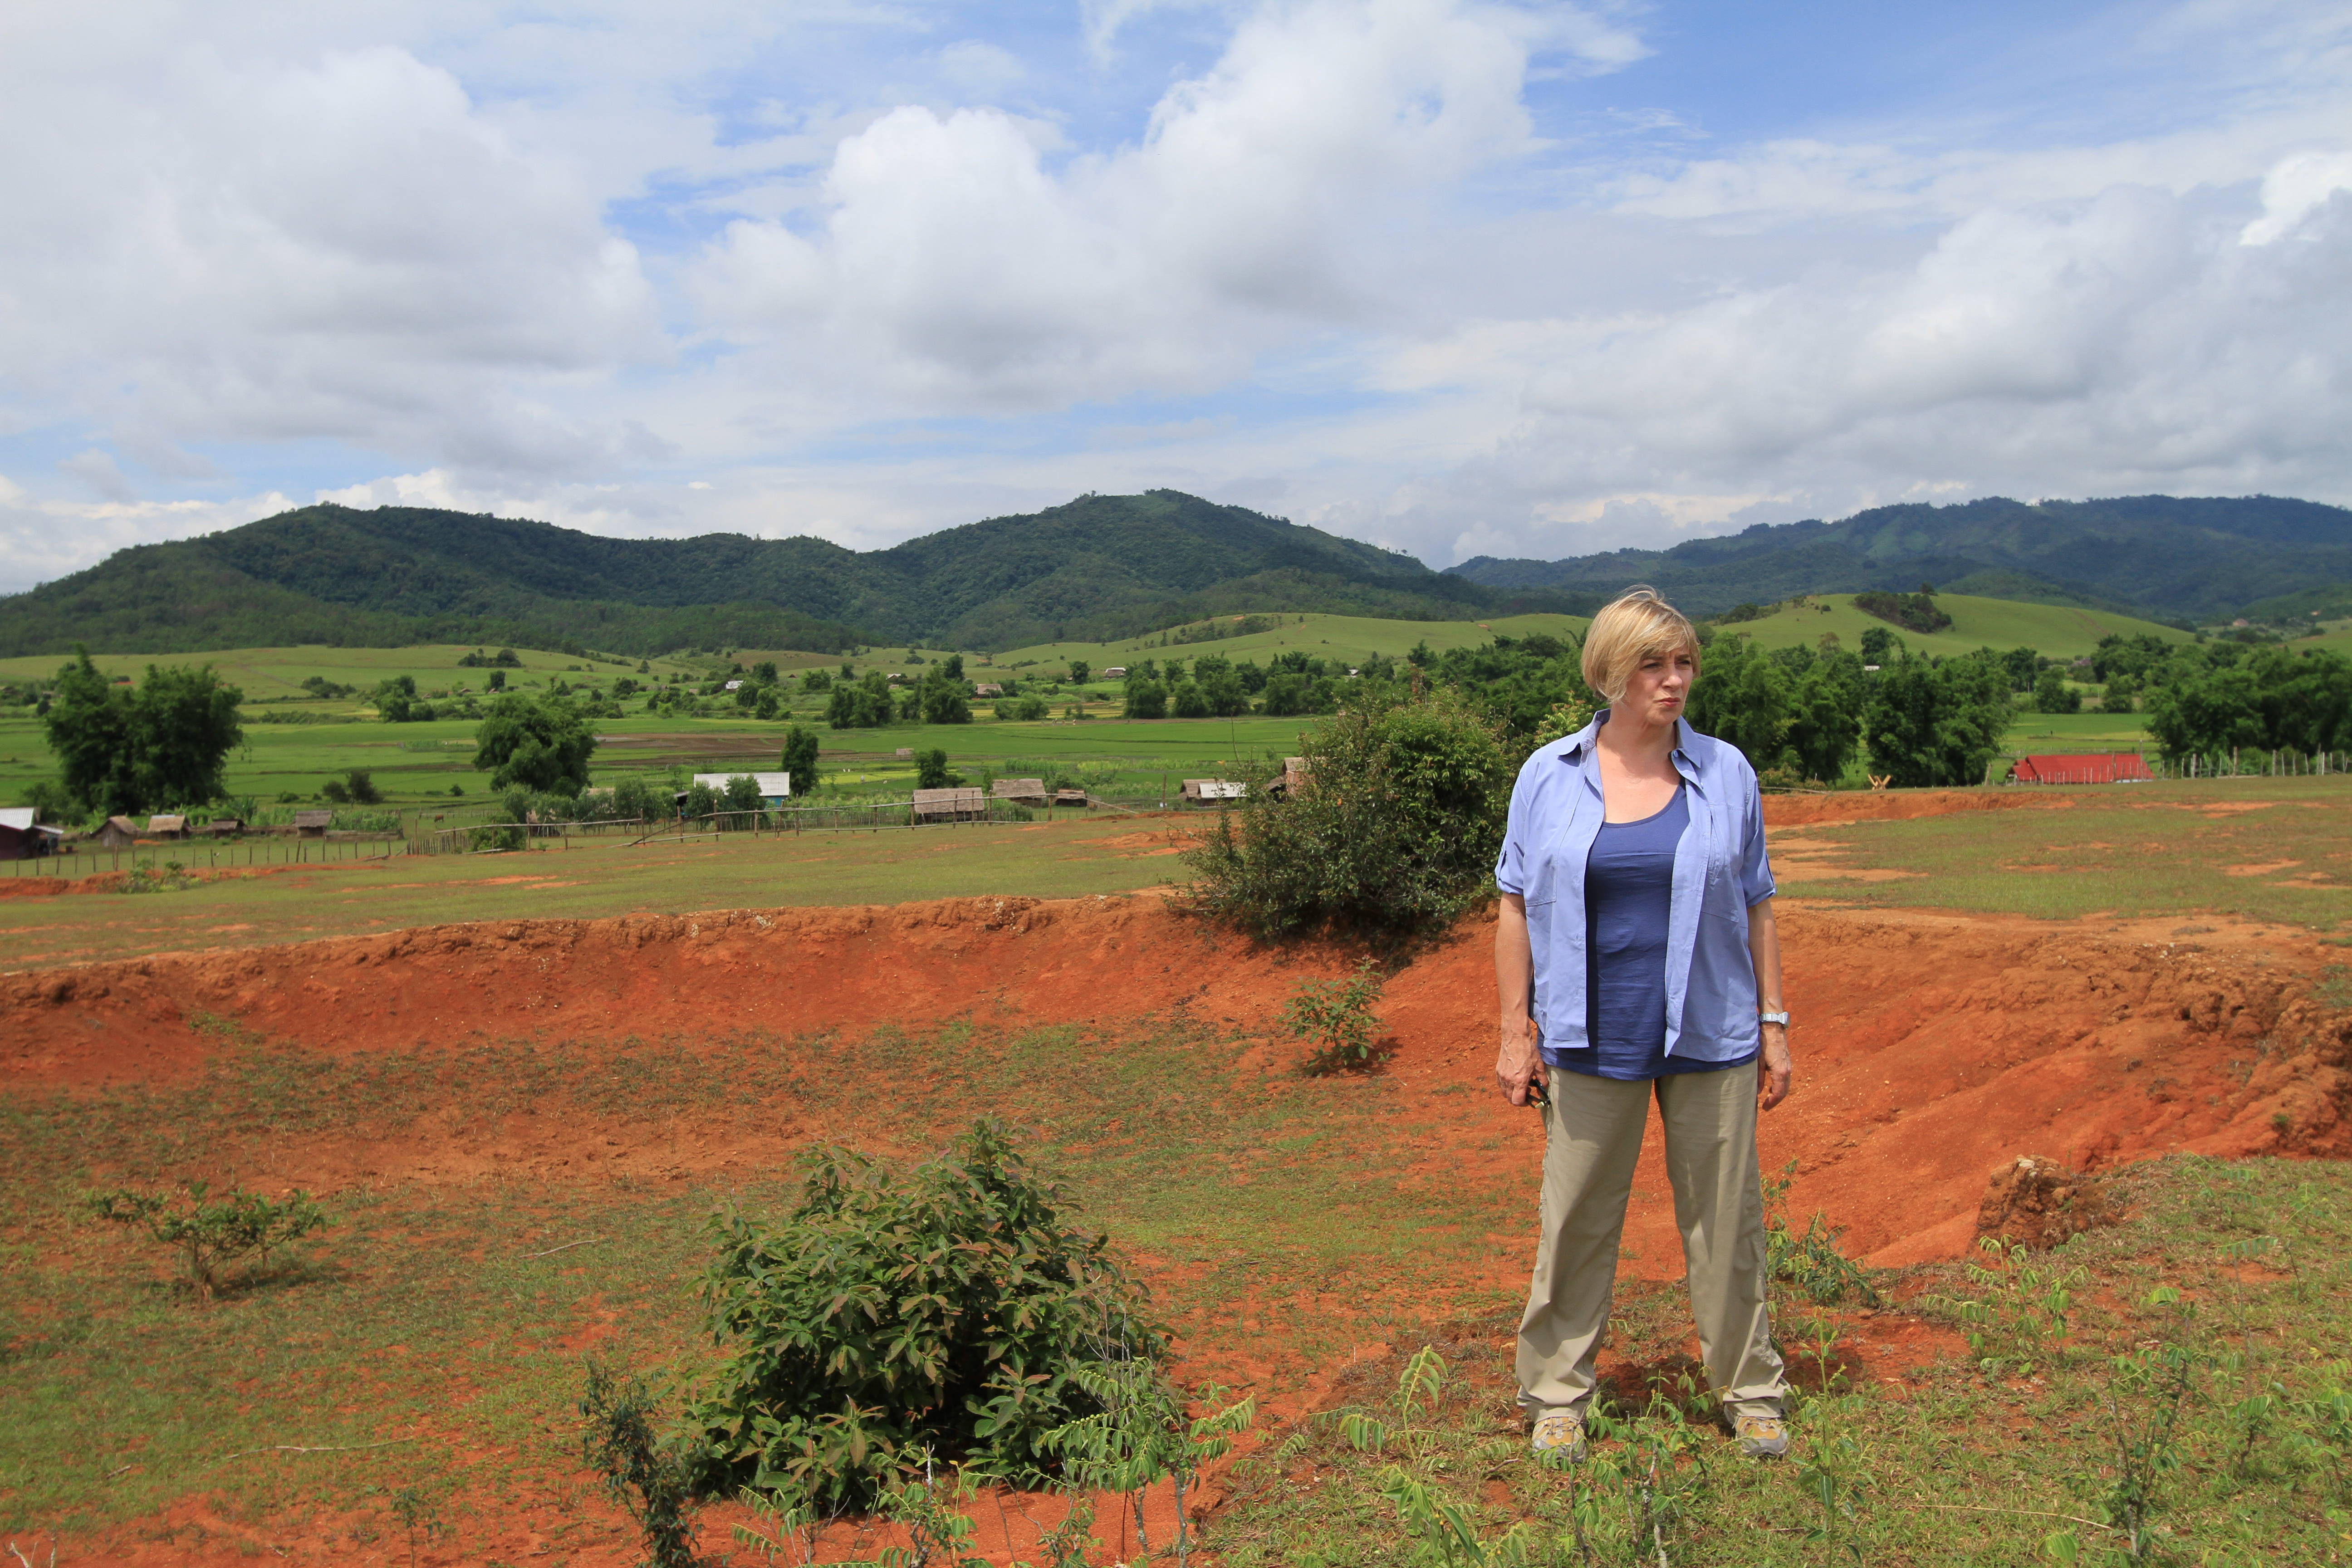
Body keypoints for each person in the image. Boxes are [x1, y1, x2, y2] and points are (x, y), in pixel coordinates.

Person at [1493, 586, 1795, 1463]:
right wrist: (1518, 1031)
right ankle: (1557, 1395)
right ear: (1610, 672)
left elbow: (1759, 903)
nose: (1673, 681)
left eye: (1684, 662)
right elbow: (1513, 905)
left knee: (1725, 1221)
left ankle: (1750, 1390)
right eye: (1652, 665)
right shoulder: (1548, 775)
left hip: (1712, 1033)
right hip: (1590, 1035)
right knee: (1577, 1217)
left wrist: (1774, 1023)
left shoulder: (1728, 771)